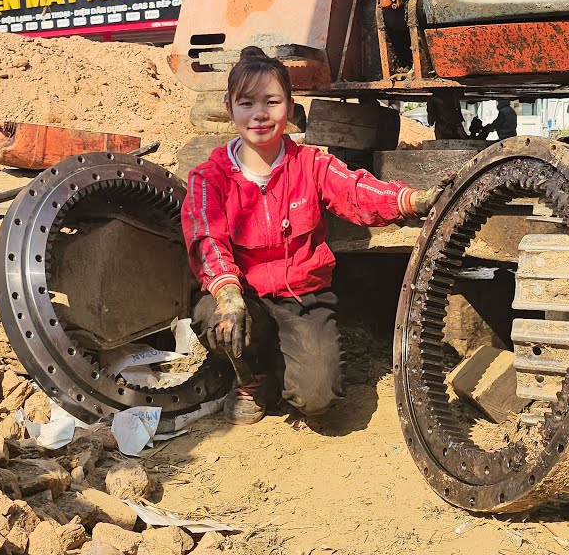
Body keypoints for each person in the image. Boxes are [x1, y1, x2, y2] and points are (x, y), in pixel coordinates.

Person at [180, 47, 442, 428]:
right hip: (245, 297)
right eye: (246, 102)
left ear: (290, 106)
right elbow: (206, 239)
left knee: (317, 399)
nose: (259, 114)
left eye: (272, 101)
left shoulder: (310, 164)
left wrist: (410, 200)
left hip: (302, 298)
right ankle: (251, 379)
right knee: (215, 317)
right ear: (229, 107)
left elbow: (355, 191)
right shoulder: (209, 177)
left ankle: (280, 372)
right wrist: (227, 294)